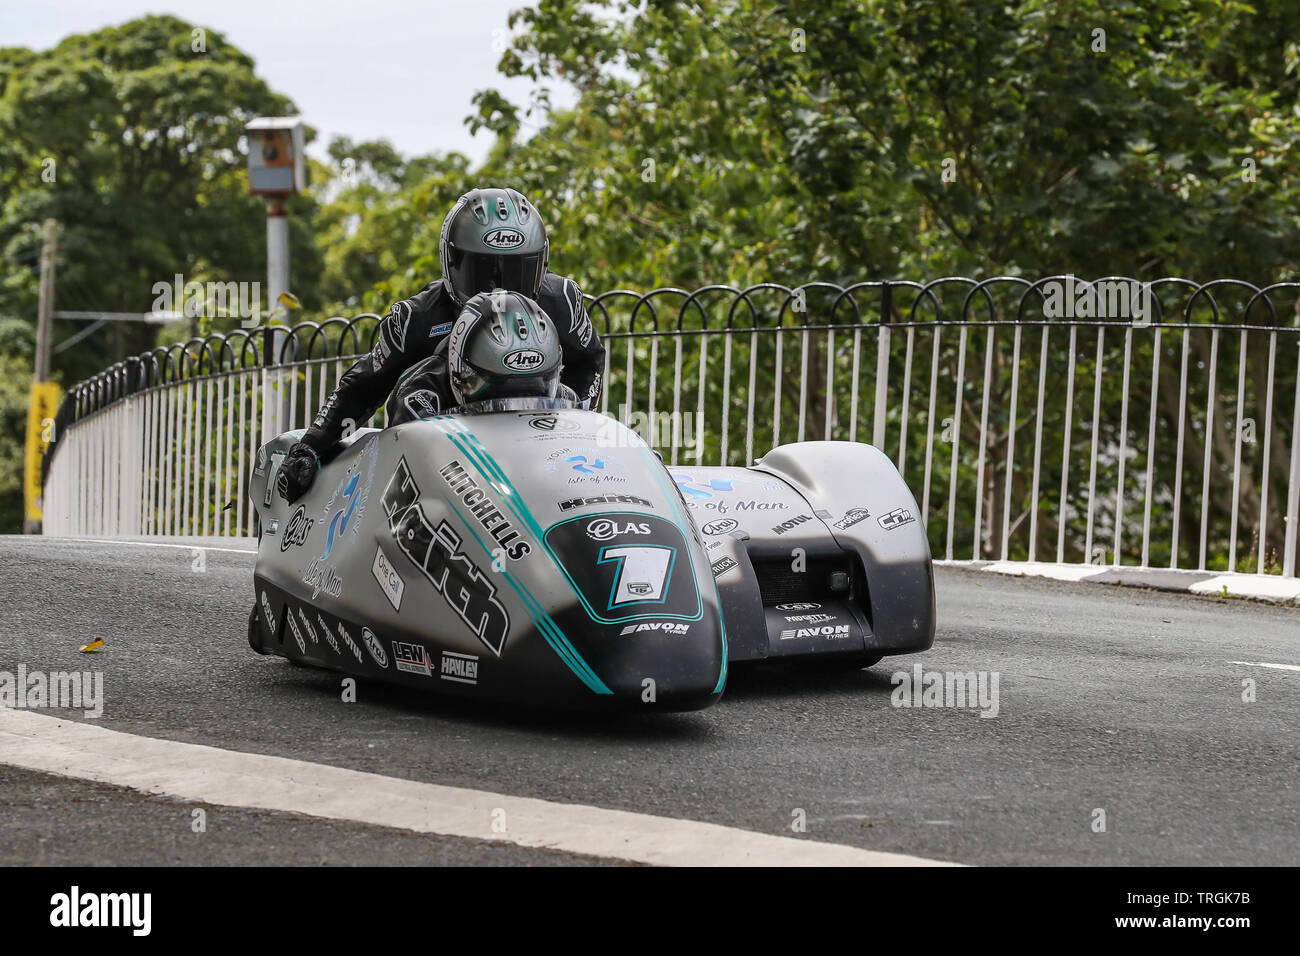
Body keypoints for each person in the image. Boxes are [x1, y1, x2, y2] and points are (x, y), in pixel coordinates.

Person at [276, 186, 604, 503]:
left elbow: (588, 362)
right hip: (449, 451)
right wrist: (312, 447)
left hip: (536, 432)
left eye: (517, 270)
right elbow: (363, 386)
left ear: (541, 263)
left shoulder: (560, 300)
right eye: (483, 272)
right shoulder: (416, 317)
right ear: (451, 261)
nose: (499, 288)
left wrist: (574, 425)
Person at [384, 288, 566, 423]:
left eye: (532, 389)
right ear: (461, 373)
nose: (516, 411)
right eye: (498, 391)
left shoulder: (565, 399)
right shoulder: (420, 399)